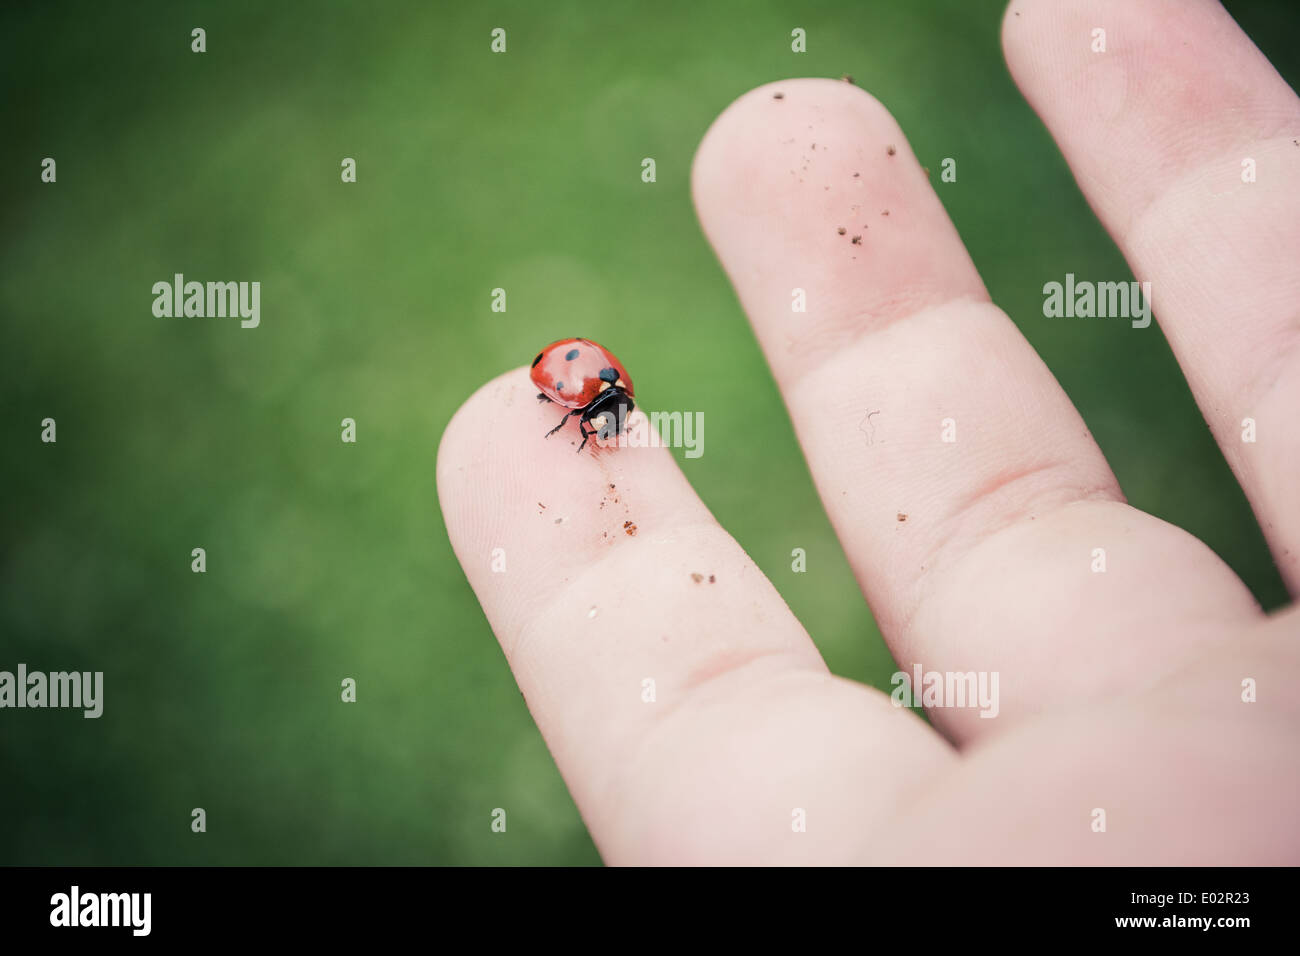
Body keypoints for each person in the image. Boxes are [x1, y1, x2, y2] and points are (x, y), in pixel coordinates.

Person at [437, 0, 1300, 864]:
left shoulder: (592, 392)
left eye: (603, 417)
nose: (608, 424)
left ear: (598, 404)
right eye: (603, 418)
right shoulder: (591, 387)